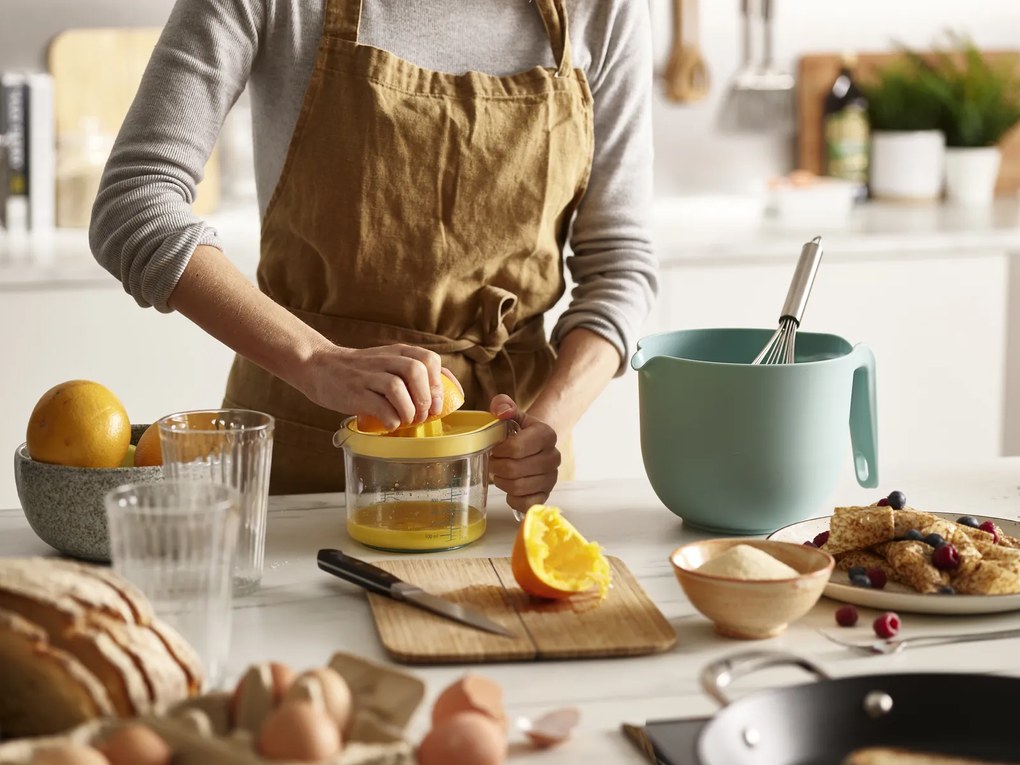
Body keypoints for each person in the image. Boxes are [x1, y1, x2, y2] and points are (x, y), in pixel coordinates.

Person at [90, 0, 658, 514]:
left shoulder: (604, 9)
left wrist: (549, 424)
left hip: (508, 489)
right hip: (304, 477)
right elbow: (136, 202)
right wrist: (316, 361)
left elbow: (619, 266)